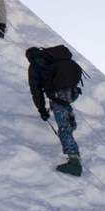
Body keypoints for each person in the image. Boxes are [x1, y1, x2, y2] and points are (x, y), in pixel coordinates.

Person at [26, 46, 83, 176]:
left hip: (58, 94)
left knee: (63, 127)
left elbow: (36, 90)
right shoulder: (54, 57)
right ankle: (71, 121)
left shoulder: (35, 65)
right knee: (63, 107)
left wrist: (41, 109)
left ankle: (74, 162)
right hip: (72, 90)